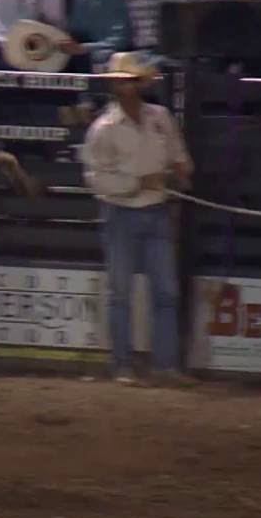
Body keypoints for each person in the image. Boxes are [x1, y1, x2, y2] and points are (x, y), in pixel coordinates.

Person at [81, 52, 195, 389]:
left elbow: (179, 156)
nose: (122, 85)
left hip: (157, 210)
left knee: (166, 291)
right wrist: (138, 183)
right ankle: (122, 364)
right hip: (121, 213)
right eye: (119, 80)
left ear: (138, 84)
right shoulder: (103, 129)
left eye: (128, 80)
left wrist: (180, 172)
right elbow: (96, 180)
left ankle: (164, 364)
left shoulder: (160, 118)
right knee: (121, 293)